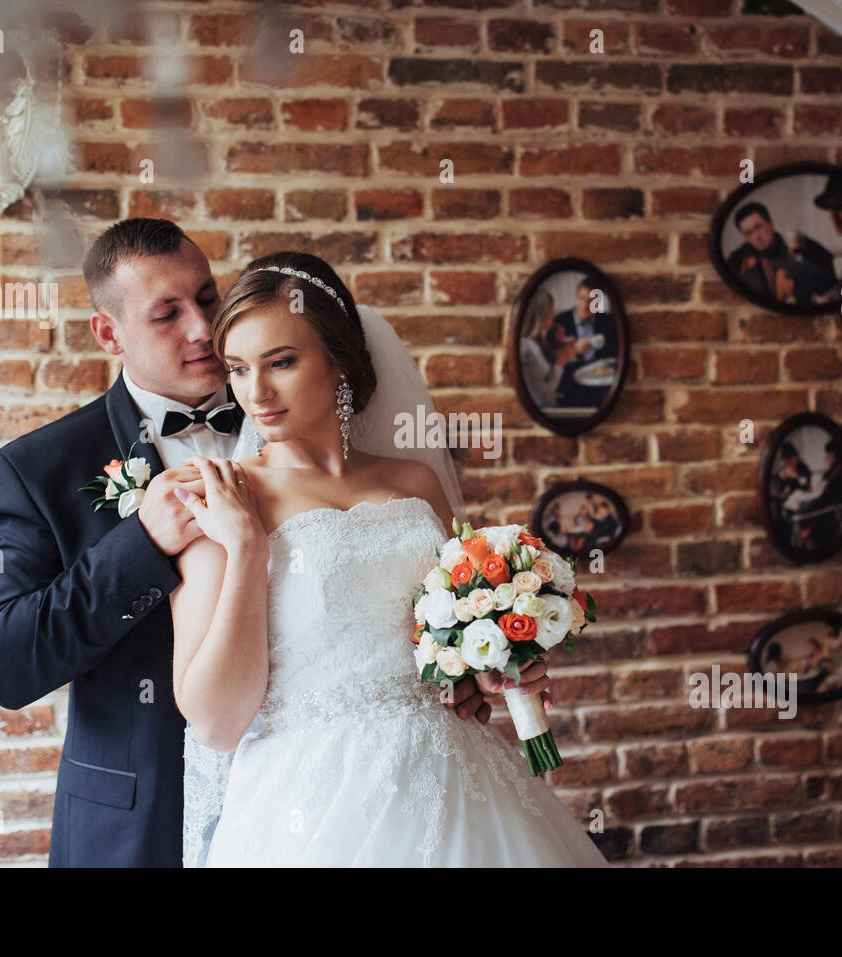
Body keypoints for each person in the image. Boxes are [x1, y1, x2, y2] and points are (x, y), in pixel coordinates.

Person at [0, 221, 513, 868]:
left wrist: (458, 672)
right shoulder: (42, 468)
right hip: (146, 812)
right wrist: (141, 542)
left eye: (206, 297)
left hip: (382, 788)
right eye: (167, 313)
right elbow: (5, 662)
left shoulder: (299, 389)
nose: (202, 328)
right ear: (110, 333)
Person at [170, 252, 609, 867]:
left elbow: (435, 644)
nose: (256, 393)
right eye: (238, 369)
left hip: (456, 778)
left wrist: (484, 669)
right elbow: (214, 724)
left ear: (340, 362)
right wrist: (246, 547)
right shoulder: (219, 496)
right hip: (311, 807)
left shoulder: (415, 482)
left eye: (283, 362)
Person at [725, 202, 835, 306]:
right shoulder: (737, 260)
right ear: (744, 237)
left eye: (758, 227)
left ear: (771, 224)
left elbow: (830, 287)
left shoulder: (802, 247)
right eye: (749, 233)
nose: (757, 236)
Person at [552, 278, 618, 408]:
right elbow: (551, 358)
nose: (585, 305)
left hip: (601, 386)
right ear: (576, 297)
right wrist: (573, 351)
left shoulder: (608, 321)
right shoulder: (560, 322)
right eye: (581, 299)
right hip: (570, 387)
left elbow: (615, 353)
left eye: (591, 301)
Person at [516, 288, 586, 408]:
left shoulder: (537, 341)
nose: (553, 315)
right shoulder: (526, 349)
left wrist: (558, 347)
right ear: (540, 314)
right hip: (549, 410)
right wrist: (560, 361)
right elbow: (543, 398)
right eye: (550, 311)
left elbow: (545, 371)